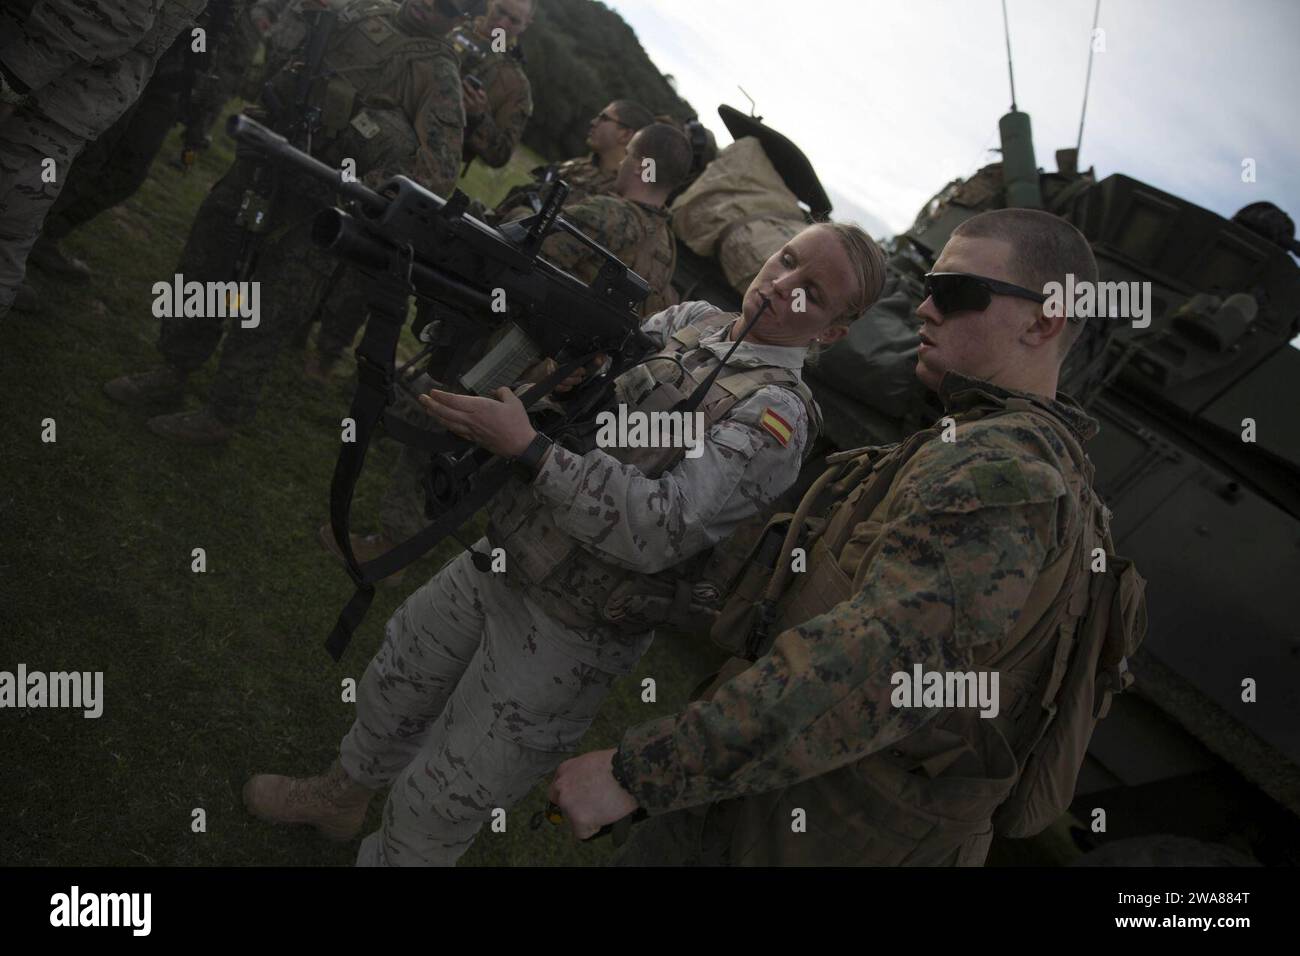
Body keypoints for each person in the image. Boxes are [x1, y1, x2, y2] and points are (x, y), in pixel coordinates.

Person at [242, 219, 889, 866]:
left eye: (812, 292)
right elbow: (598, 396)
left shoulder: (777, 416)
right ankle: (340, 795)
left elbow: (661, 527)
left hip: (572, 628)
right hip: (508, 552)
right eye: (786, 260)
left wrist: (530, 449)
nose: (782, 285)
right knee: (399, 676)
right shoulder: (693, 320)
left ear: (832, 331)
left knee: (453, 786)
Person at [549, 208, 1128, 866]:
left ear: (1044, 319)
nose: (926, 310)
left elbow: (874, 672)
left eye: (957, 291)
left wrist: (641, 772)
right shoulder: (1029, 463)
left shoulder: (1004, 474)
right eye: (929, 286)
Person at [316, 122, 693, 583]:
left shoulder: (604, 215)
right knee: (465, 436)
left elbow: (510, 258)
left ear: (639, 160)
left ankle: (390, 545)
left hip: (519, 351)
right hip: (559, 372)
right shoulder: (664, 244)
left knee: (441, 416)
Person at [101, 0, 470, 445]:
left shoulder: (440, 75)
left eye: (446, 4)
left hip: (321, 203)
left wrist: (357, 184)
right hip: (267, 159)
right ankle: (172, 367)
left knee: (272, 308)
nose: (430, 4)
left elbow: (437, 175)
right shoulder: (358, 11)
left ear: (460, 19)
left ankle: (223, 413)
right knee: (208, 263)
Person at [0, 0, 208, 317]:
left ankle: (50, 236)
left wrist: (13, 79)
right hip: (60, 90)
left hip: (47, 94)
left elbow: (119, 14)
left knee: (12, 221)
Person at [494, 99, 656, 218]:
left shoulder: (620, 195)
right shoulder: (577, 165)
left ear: (625, 134)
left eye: (604, 118)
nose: (593, 122)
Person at [451, 0, 534, 170]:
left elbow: (500, 155)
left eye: (514, 20)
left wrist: (477, 117)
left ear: (526, 24)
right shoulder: (448, 22)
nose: (502, 24)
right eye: (500, 11)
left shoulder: (515, 84)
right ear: (490, 3)